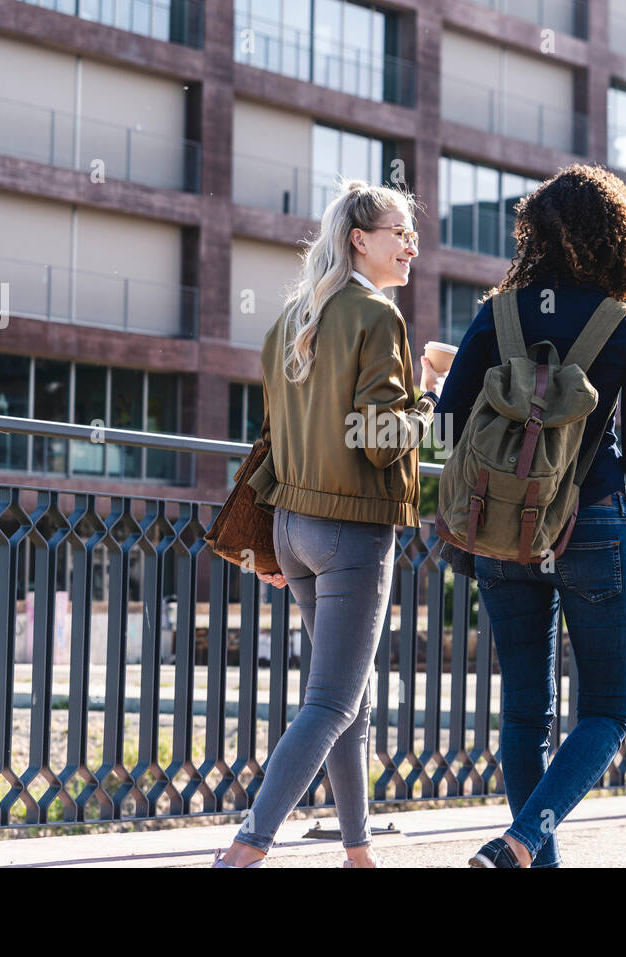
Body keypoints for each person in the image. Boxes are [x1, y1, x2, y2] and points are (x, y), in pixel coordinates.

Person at [434, 163, 626, 868]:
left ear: (533, 232)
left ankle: (527, 846)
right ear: (620, 240)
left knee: (524, 714)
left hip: (499, 532)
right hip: (594, 527)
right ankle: (521, 839)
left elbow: (446, 429)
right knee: (604, 711)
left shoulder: (498, 313)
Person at [212, 180, 441, 868]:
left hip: (292, 526)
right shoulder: (377, 316)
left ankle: (358, 851)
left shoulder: (292, 318)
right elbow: (380, 438)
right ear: (357, 240)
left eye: (412, 235)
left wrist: (271, 546)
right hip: (352, 528)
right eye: (398, 232)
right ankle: (245, 850)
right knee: (333, 699)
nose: (410, 245)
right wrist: (433, 401)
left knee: (349, 697)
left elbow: (275, 435)